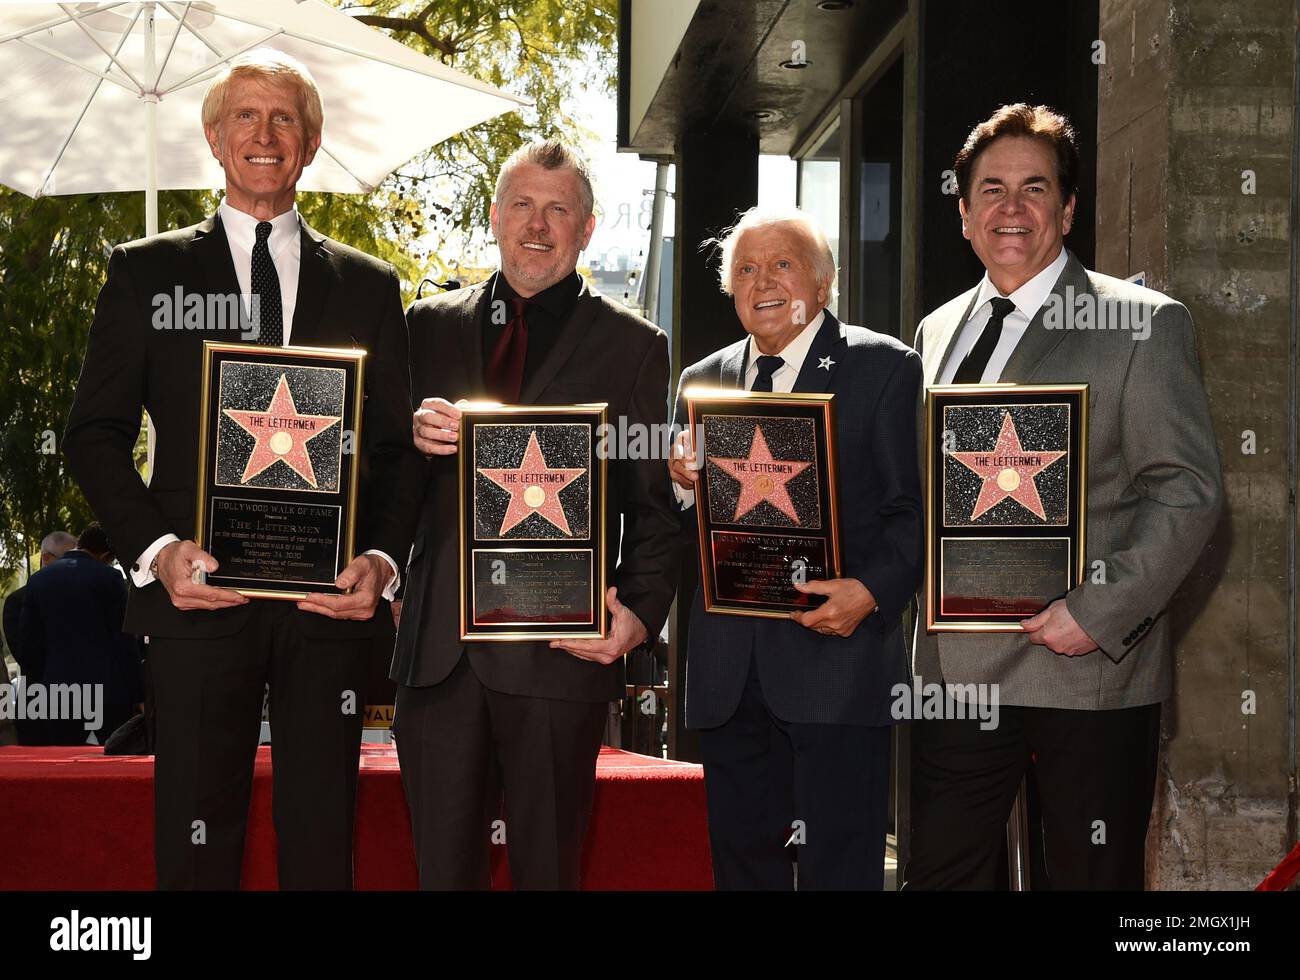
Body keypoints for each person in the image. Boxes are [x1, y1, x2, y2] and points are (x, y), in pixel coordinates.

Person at [62, 49, 426, 889]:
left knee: (319, 838)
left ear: (312, 141)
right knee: (196, 839)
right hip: (195, 600)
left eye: (285, 119)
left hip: (327, 607)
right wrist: (157, 551)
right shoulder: (145, 272)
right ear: (215, 139)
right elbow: (95, 433)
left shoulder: (371, 287)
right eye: (246, 119)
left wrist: (380, 560)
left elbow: (397, 447)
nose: (266, 135)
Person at [905, 103, 1223, 890]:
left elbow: (1185, 490)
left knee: (1088, 879)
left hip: (1085, 671)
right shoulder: (935, 331)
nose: (1011, 208)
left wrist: (1099, 610)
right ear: (965, 210)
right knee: (943, 874)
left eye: (1035, 188)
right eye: (992, 189)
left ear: (1069, 207)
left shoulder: (1142, 323)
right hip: (956, 672)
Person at [395, 140, 679, 889]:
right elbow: (384, 482)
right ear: (494, 216)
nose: (537, 225)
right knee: (440, 875)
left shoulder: (634, 346)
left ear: (587, 230)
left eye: (559, 210)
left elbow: (656, 509)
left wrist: (638, 615)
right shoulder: (425, 326)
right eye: (522, 205)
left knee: (549, 870)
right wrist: (411, 445)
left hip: (561, 654)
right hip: (440, 657)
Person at [667, 207, 924, 889]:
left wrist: (869, 595)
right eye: (746, 269)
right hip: (727, 676)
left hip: (837, 665)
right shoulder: (701, 380)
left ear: (824, 279)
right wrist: (684, 488)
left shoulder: (884, 367)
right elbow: (676, 530)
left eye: (782, 263)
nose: (763, 282)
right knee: (743, 865)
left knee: (840, 869)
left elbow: (912, 515)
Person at [18, 524, 143, 745]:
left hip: (57, 692)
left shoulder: (38, 581)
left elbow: (28, 645)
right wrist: (137, 694)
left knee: (65, 762)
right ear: (106, 556)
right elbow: (124, 642)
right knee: (112, 759)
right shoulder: (109, 579)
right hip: (108, 693)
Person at [4, 531, 78, 745]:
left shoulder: (79, 600)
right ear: (46, 558)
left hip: (79, 704)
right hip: (37, 704)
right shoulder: (17, 601)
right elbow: (26, 655)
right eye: (69, 560)